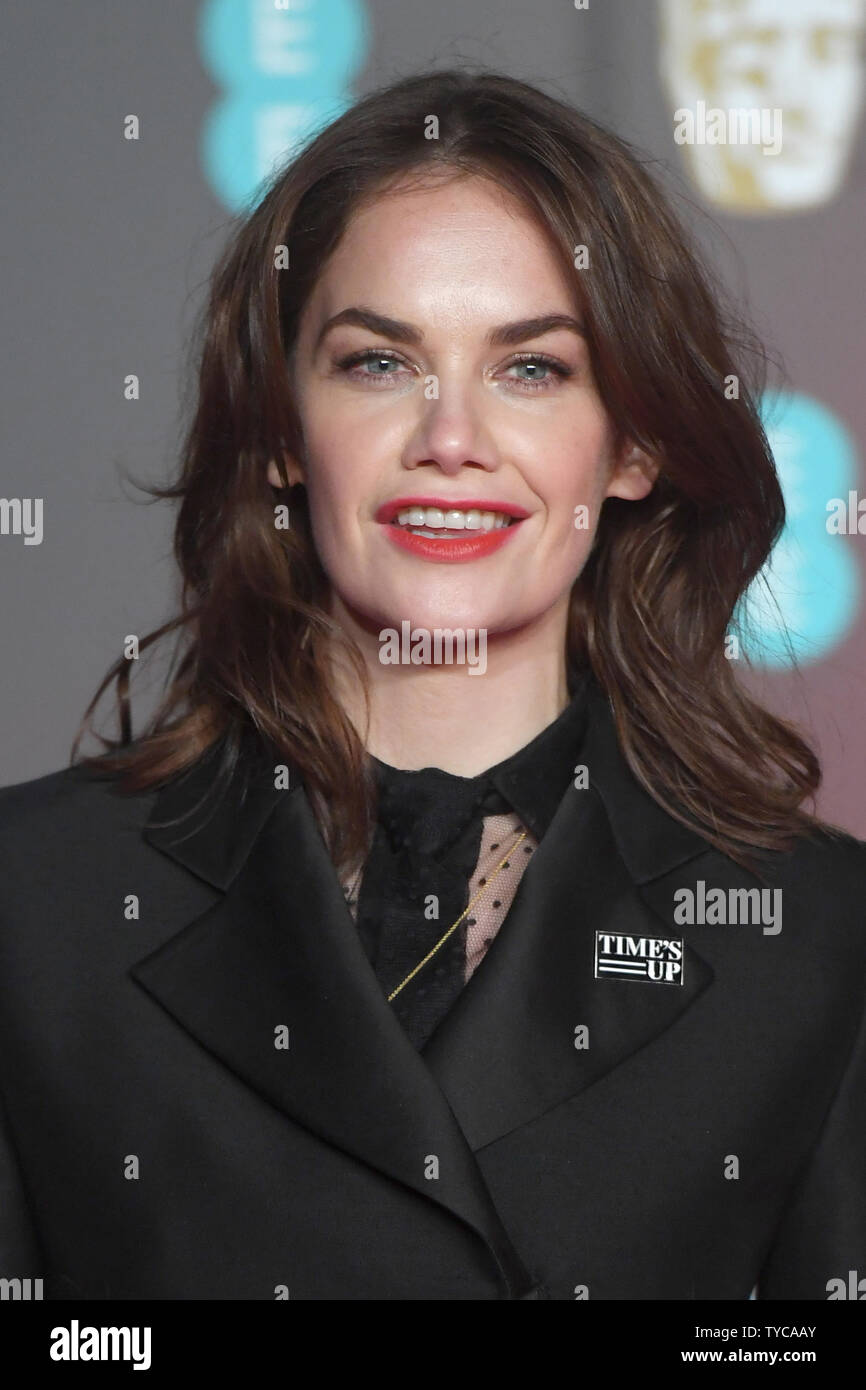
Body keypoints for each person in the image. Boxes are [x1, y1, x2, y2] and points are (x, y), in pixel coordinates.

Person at [1, 68, 864, 1302]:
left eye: (530, 369)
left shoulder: (820, 944)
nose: (448, 436)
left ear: (633, 443)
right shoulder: (35, 904)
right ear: (283, 429)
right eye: (375, 363)